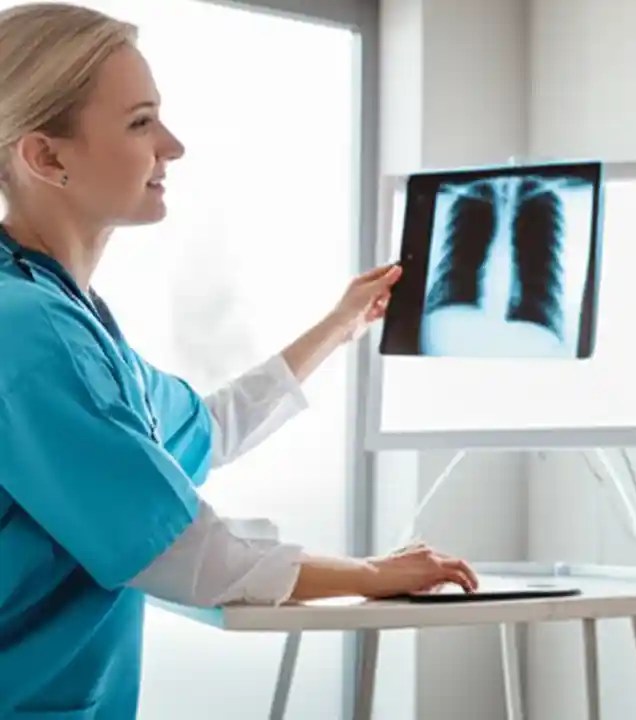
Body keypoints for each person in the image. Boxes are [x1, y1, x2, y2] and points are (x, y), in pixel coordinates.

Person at [0, 3, 478, 718]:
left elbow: (200, 431)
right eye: (140, 122)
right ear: (47, 157)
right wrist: (374, 573)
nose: (174, 145)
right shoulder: (30, 333)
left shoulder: (62, 312)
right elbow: (189, 557)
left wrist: (338, 326)